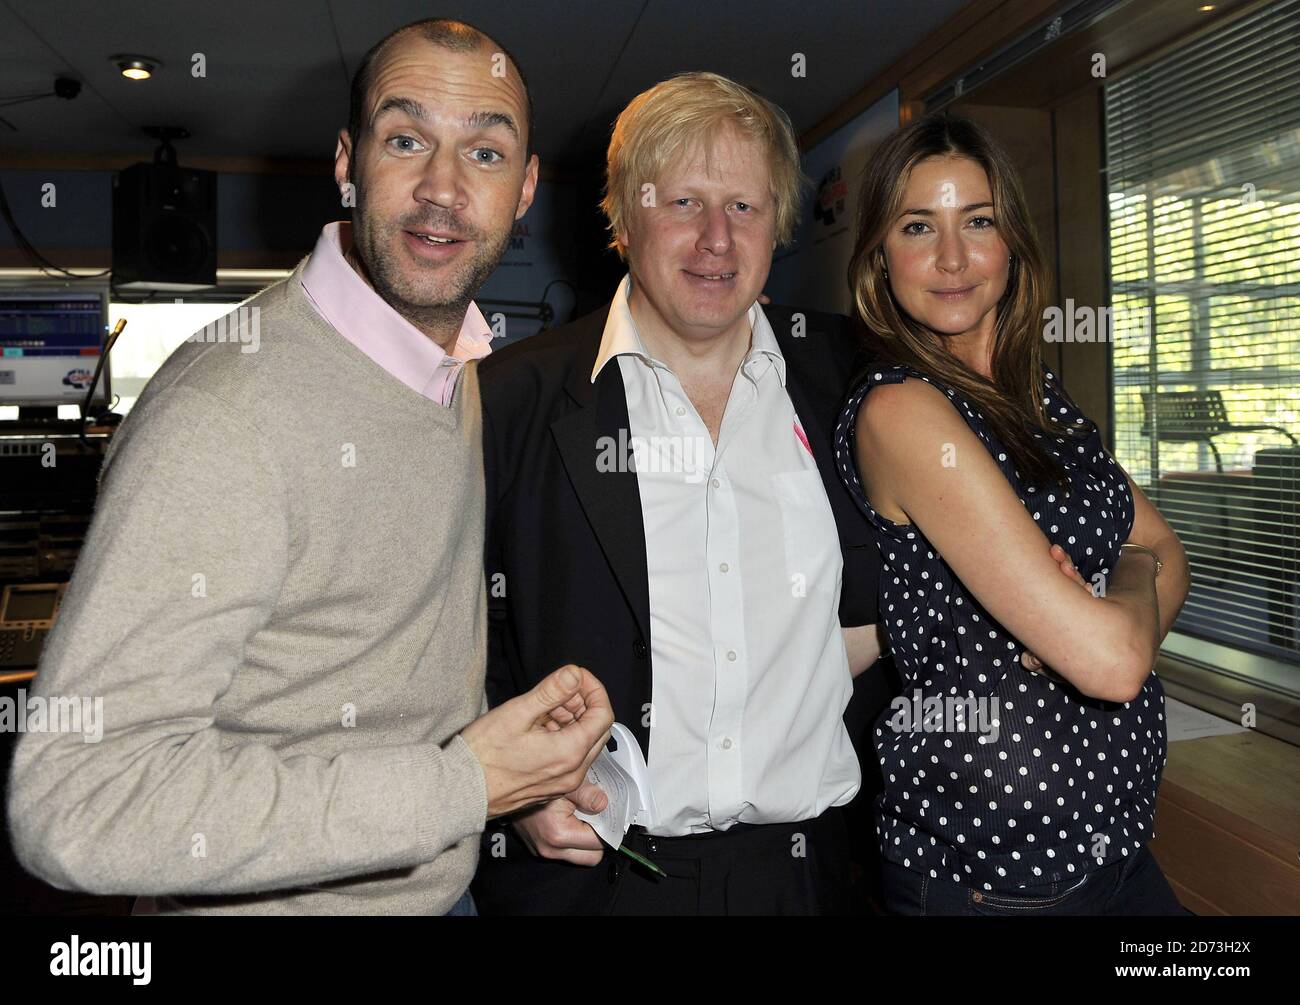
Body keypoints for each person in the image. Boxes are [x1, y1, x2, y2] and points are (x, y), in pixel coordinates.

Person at [5, 17, 612, 916]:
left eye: (484, 153)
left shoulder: (453, 365)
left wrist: (512, 781)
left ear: (523, 190)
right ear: (347, 163)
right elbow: (75, 801)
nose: (442, 189)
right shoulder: (224, 412)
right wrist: (461, 787)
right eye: (406, 140)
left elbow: (384, 660)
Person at [471, 71, 891, 916]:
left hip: (810, 876)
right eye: (683, 203)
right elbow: (444, 640)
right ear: (623, 219)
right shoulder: (507, 397)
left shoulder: (856, 382)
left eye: (744, 207)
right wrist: (508, 792)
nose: (716, 241)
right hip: (595, 878)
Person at [835, 113, 1191, 915]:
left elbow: (1168, 549)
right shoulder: (905, 411)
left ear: (1012, 244)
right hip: (993, 882)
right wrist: (1103, 612)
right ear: (881, 261)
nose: (953, 258)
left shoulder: (1041, 400)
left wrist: (1108, 593)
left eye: (979, 221)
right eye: (919, 226)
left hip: (1117, 844)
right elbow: (1113, 663)